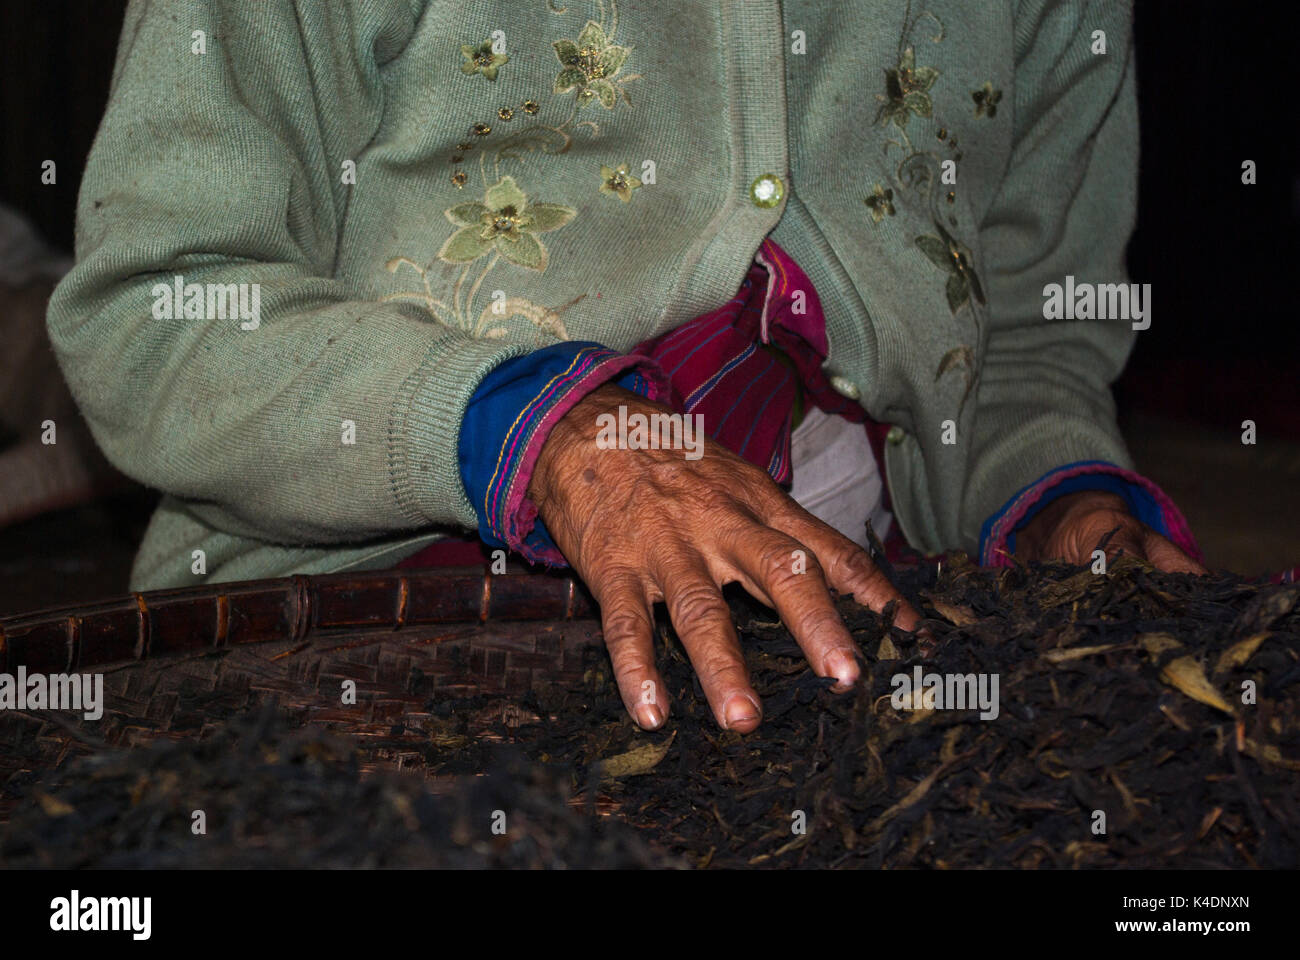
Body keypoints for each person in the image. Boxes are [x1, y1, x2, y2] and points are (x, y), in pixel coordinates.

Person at [47, 0, 1205, 733]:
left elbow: (1024, 340)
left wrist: (1056, 494)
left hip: (840, 621)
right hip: (357, 619)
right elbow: (156, 311)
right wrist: (545, 435)